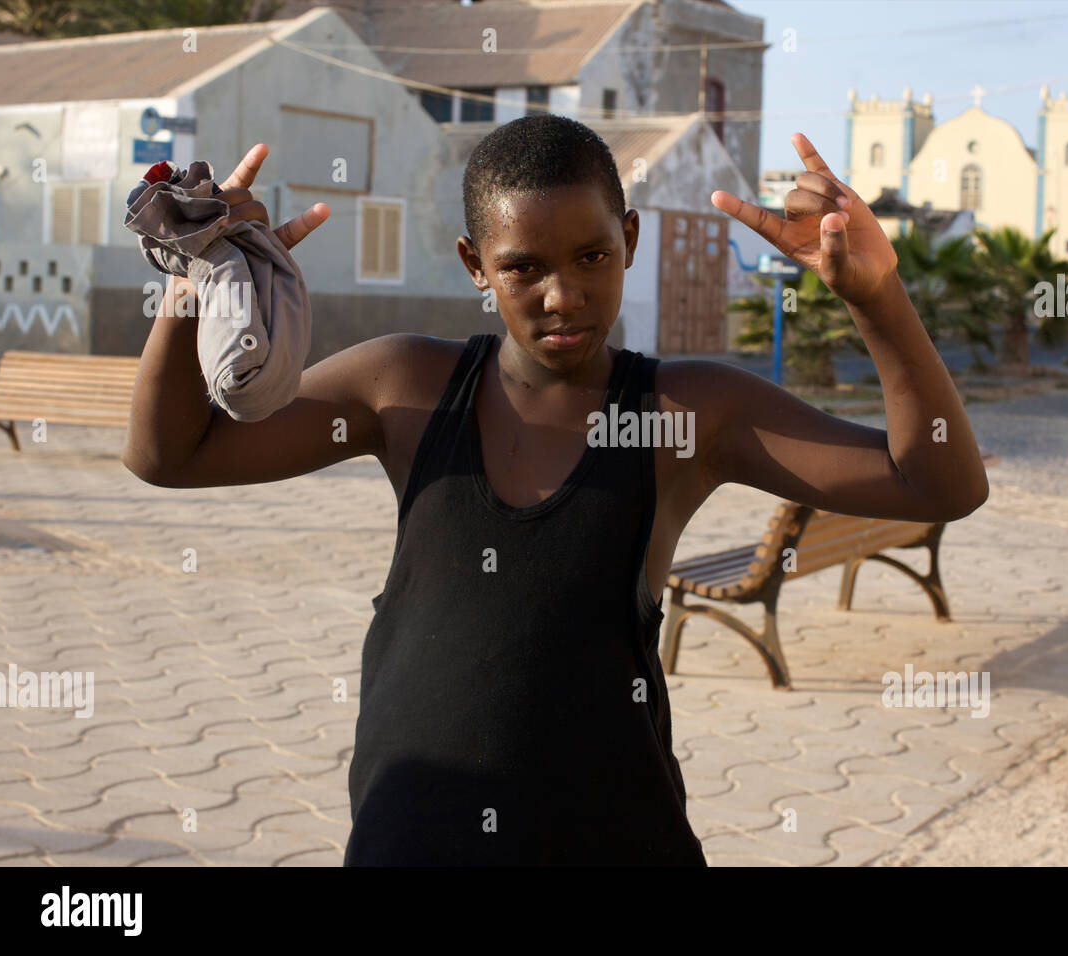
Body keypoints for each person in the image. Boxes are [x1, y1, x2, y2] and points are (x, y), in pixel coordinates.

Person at [122, 115, 989, 866]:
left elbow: (938, 482)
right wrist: (198, 272)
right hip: (412, 839)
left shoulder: (687, 411)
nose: (562, 295)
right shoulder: (404, 387)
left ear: (632, 243)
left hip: (617, 843)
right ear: (474, 264)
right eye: (522, 267)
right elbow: (168, 455)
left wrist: (877, 298)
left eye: (592, 256)